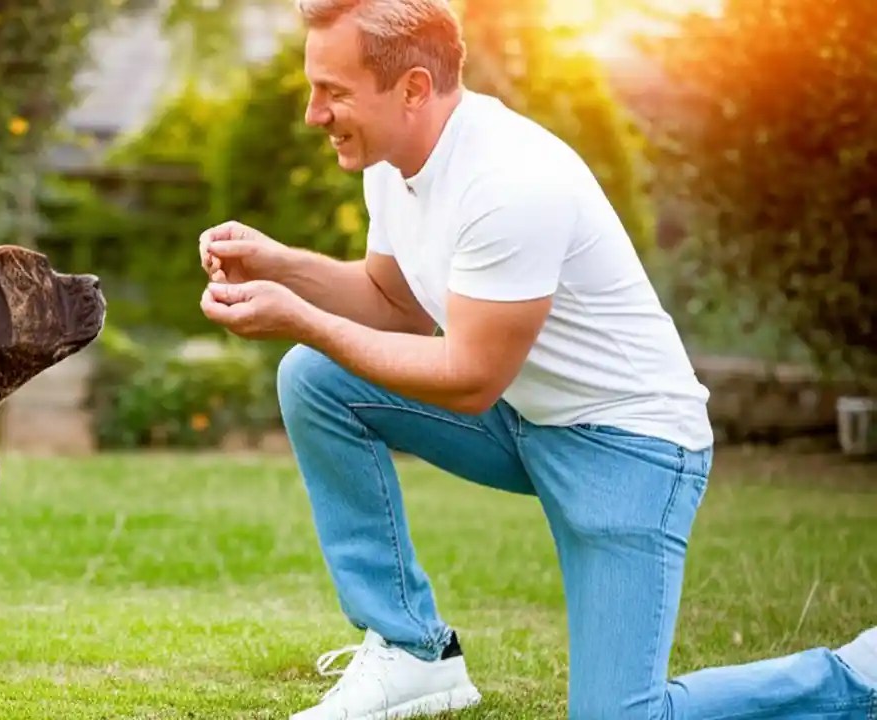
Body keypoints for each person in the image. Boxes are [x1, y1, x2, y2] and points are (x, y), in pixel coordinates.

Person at [196, 0, 877, 718]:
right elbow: (391, 302)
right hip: (525, 420)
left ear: (414, 88)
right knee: (316, 379)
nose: (312, 114)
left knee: (622, 715)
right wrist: (280, 265)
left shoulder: (509, 183)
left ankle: (858, 676)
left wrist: (300, 316)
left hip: (631, 450)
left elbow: (468, 379)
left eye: (333, 92)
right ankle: (410, 653)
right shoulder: (393, 162)